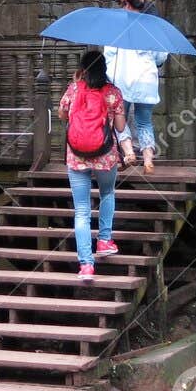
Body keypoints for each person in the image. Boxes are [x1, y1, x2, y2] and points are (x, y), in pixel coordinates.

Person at [58, 48, 134, 280]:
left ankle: (86, 266)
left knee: (81, 210)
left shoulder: (73, 89)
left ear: (82, 69)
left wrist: (75, 84)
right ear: (105, 69)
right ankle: (103, 240)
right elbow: (120, 128)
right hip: (104, 156)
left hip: (76, 156)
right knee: (107, 193)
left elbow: (63, 116)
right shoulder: (112, 93)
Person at [105, 0, 168, 175]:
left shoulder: (117, 27)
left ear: (126, 3)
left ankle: (129, 152)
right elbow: (161, 57)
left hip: (122, 80)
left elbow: (109, 54)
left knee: (119, 119)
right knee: (144, 122)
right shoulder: (153, 27)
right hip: (146, 81)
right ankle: (148, 160)